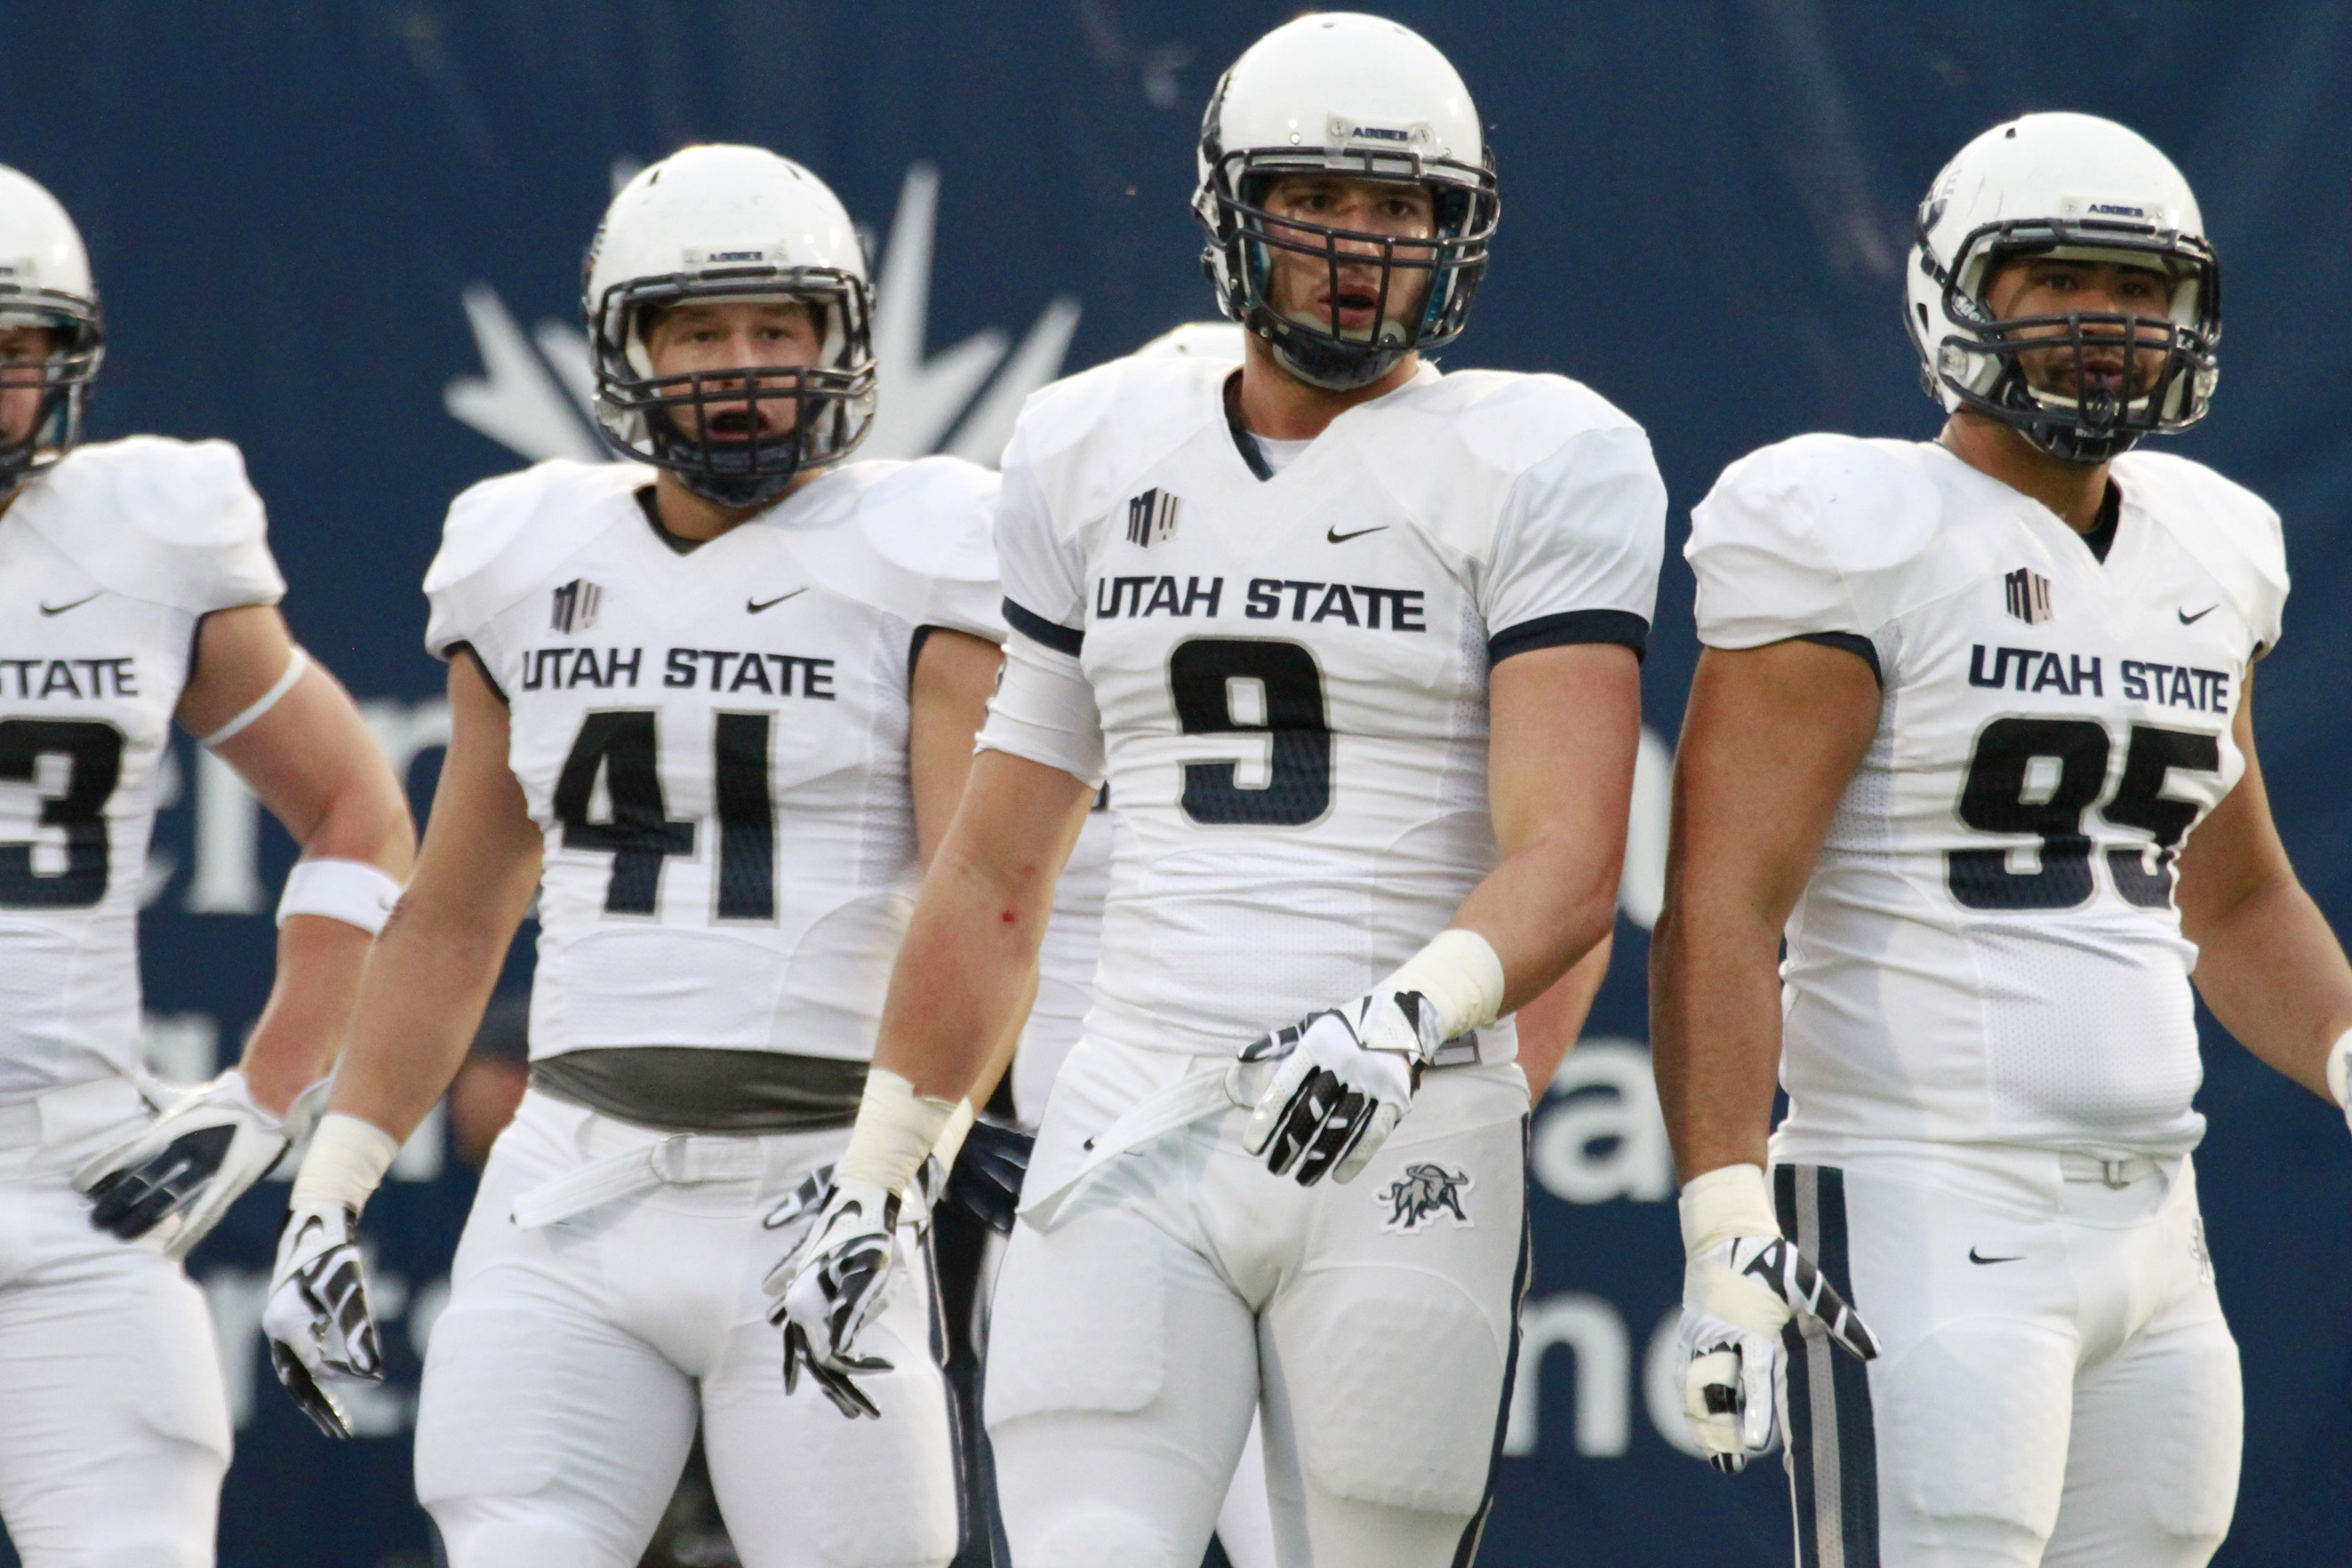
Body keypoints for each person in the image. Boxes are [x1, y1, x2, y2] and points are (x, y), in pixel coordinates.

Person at [773, 15, 1665, 1567]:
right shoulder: (1092, 445)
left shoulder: (1540, 458)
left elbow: (1576, 857)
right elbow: (998, 862)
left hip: (1401, 1110)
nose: (1363, 245)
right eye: (1324, 196)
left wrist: (1406, 1023)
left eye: (1406, 210)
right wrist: (882, 1165)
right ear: (1231, 207)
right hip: (1135, 1097)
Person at [259, 144, 1008, 1568]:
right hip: (573, 1181)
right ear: (628, 351)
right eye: (699, 330)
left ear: (839, 342)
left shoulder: (925, 550)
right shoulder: (528, 554)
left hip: (819, 1175)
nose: (741, 365)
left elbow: (985, 899)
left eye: (778, 327)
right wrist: (335, 1175)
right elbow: (457, 912)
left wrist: (900, 1169)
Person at [1654, 112, 2352, 1567]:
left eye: (2140, 291)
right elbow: (1723, 902)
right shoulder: (1855, 528)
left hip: (2158, 1218)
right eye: (2058, 282)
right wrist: (1723, 1216)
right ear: (1956, 295)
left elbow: (2235, 902)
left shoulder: (2211, 550)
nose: (2107, 325)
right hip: (1921, 1197)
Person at [0, 163, 415, 1567]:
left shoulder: (141, 533)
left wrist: (265, 1095)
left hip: (74, 1195)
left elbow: (360, 813)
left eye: (17, 350)